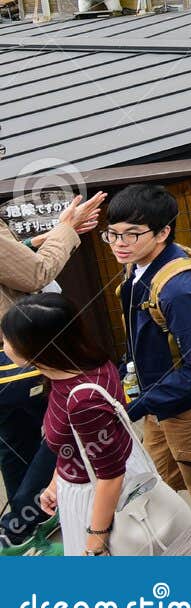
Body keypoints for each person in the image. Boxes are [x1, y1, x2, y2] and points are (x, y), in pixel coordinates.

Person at [109, 184, 191, 507]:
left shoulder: (181, 290)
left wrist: (135, 406)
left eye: (132, 234)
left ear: (163, 231)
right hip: (159, 400)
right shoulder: (138, 267)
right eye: (112, 234)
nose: (119, 244)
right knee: (158, 482)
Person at [0, 192, 105, 555]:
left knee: (13, 442)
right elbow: (35, 274)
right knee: (53, 436)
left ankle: (22, 531)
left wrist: (33, 242)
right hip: (12, 356)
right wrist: (64, 230)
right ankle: (20, 526)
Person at [1, 293, 136, 556]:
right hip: (77, 484)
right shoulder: (86, 367)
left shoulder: (82, 402)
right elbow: (74, 445)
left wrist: (95, 544)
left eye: (8, 340)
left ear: (34, 348)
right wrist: (55, 483)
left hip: (94, 496)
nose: (4, 345)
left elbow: (111, 475)